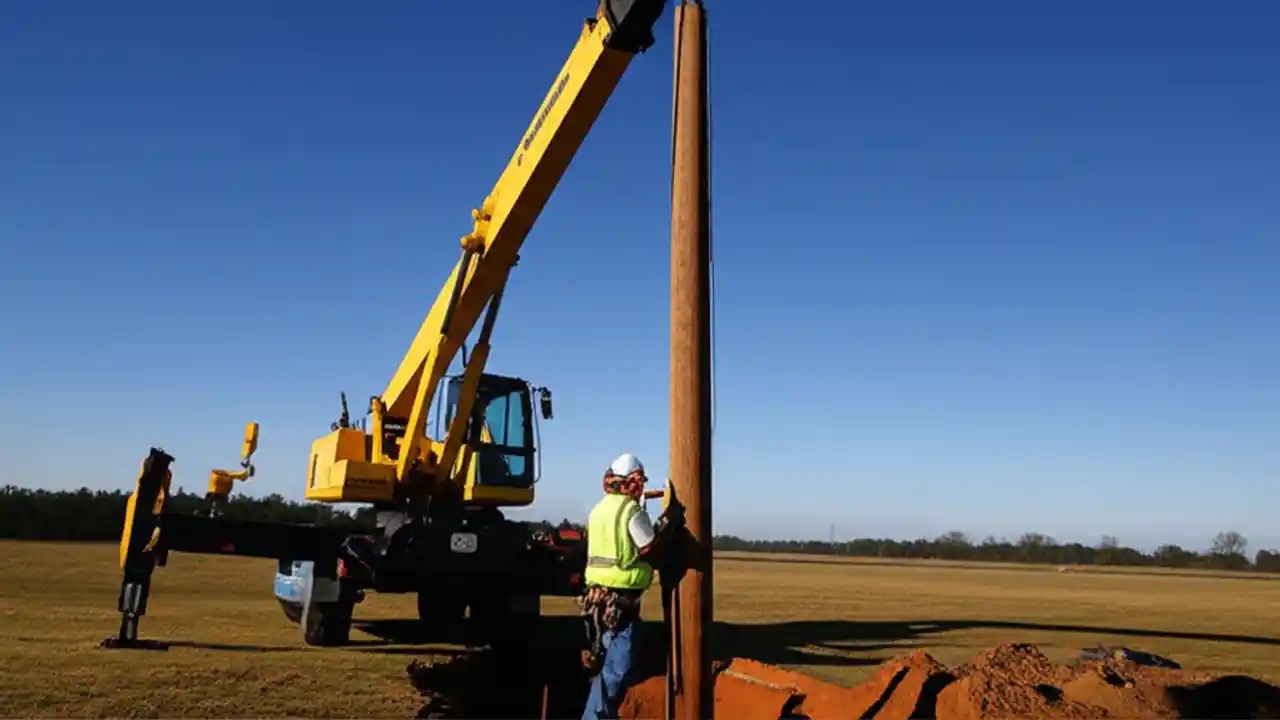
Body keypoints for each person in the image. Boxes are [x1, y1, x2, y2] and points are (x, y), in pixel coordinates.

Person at [579, 452, 681, 720]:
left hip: (597, 601)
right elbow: (649, 547)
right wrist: (668, 522)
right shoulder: (630, 510)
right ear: (633, 481)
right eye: (640, 481)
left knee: (604, 669)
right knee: (616, 670)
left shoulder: (599, 509)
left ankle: (600, 714)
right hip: (621, 603)